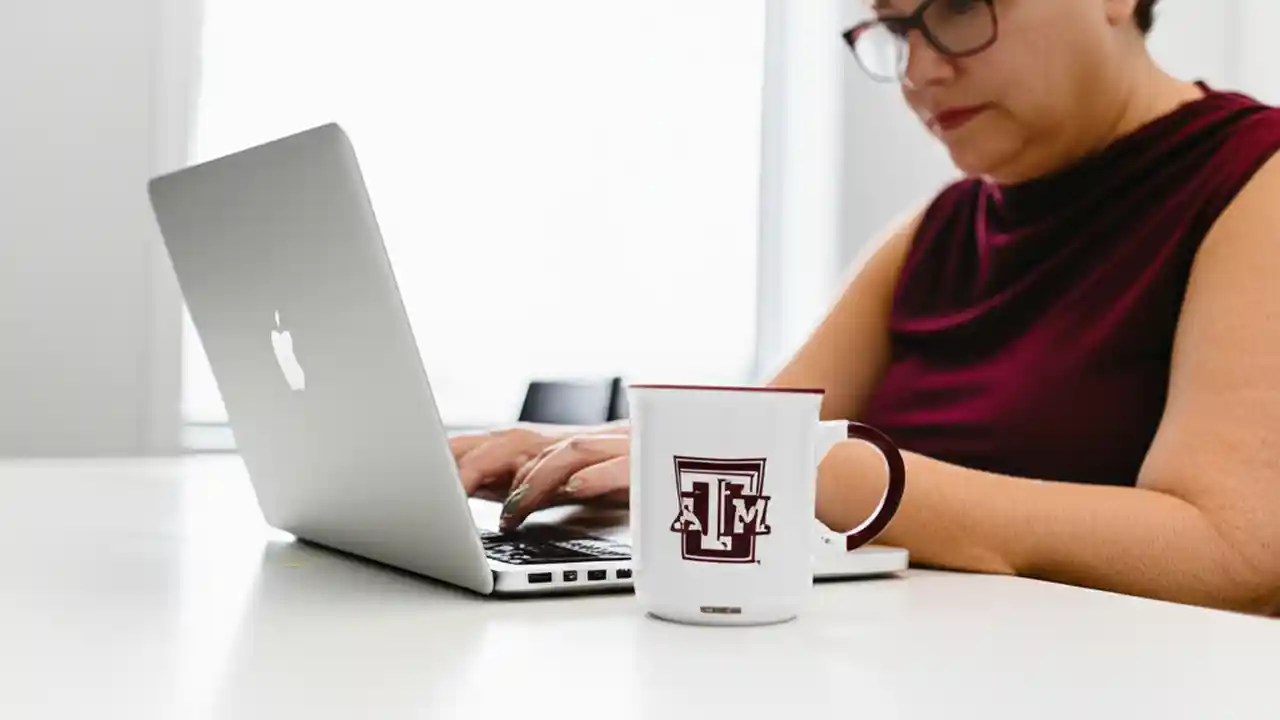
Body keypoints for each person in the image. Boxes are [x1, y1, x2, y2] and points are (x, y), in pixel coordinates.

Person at [449, 0, 1280, 615]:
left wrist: (834, 474)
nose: (918, 72)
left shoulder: (1254, 181)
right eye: (895, 27)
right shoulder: (938, 229)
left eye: (956, 8)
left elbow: (1235, 556)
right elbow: (764, 433)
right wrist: (553, 453)